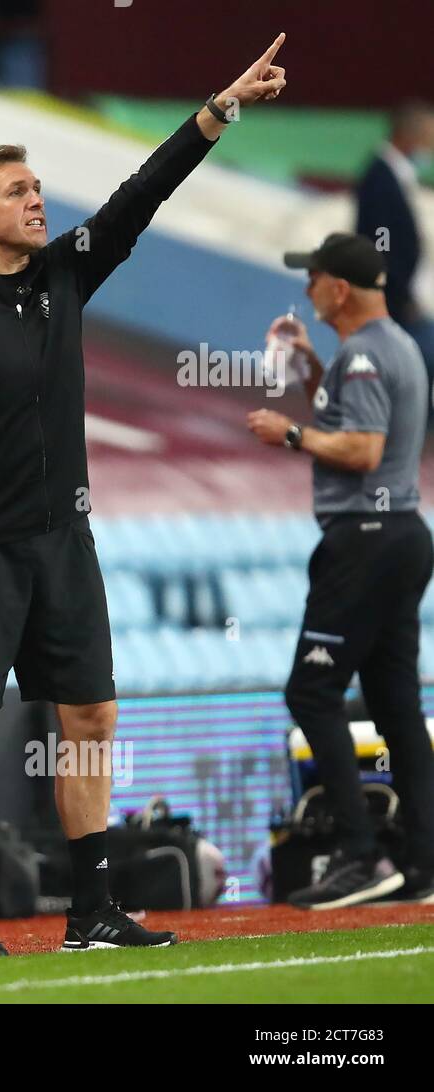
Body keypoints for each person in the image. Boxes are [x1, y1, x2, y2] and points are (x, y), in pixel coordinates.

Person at [0, 37, 289, 957]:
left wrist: (221, 106)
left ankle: (91, 910)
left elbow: (143, 191)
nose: (37, 199)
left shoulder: (67, 273)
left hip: (65, 545)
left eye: (39, 188)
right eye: (17, 191)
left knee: (91, 719)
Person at [247, 232, 434, 908]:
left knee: (311, 694)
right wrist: (311, 370)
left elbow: (362, 447)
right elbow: (365, 418)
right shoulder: (398, 345)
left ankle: (360, 854)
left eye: (315, 276)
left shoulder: (361, 355)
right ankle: (422, 861)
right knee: (396, 707)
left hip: (364, 540)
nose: (308, 288)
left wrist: (290, 431)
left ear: (340, 289)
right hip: (404, 534)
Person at [355, 101, 434, 395]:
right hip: (390, 298)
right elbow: (380, 241)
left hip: (396, 295)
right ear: (407, 137)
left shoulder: (395, 177)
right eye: (427, 140)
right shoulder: (381, 179)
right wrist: (394, 290)